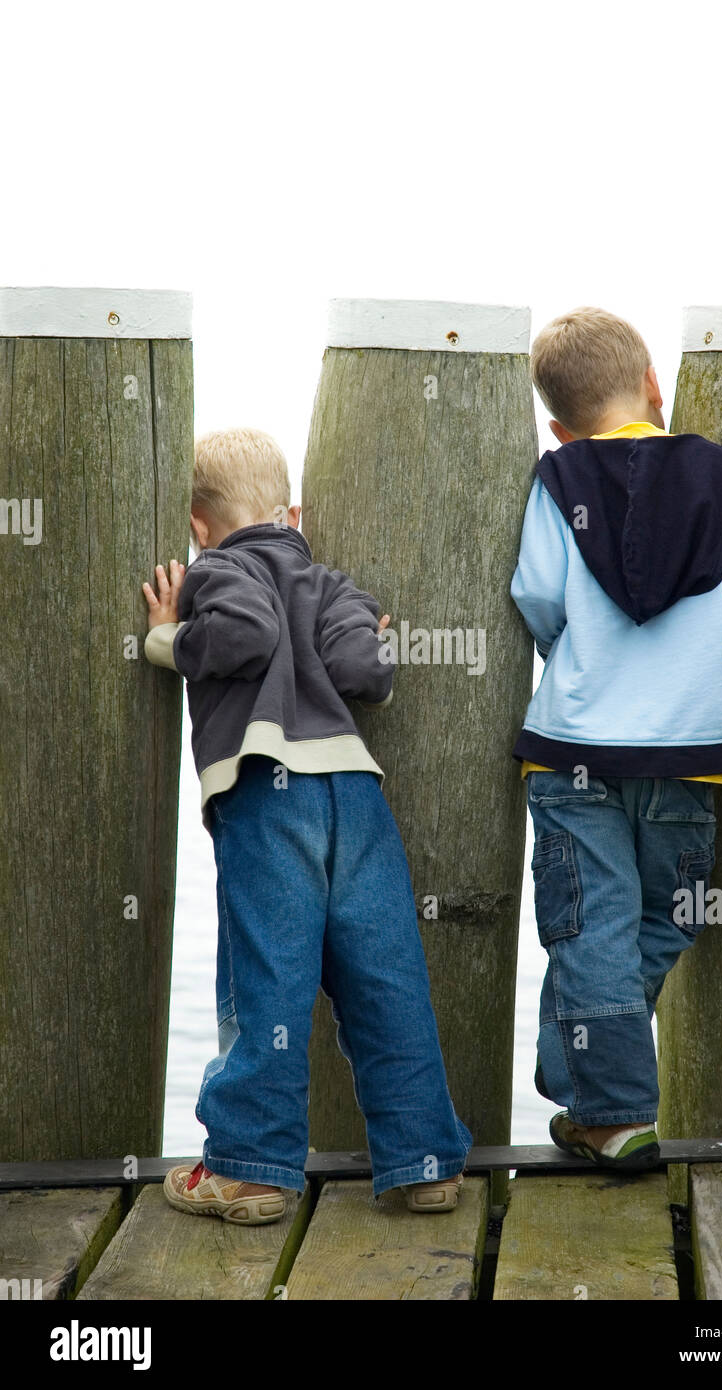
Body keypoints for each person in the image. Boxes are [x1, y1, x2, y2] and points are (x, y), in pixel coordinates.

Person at [142, 427, 470, 1223]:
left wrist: (168, 635)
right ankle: (424, 1161)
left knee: (269, 977)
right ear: (292, 511)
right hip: (354, 795)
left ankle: (252, 1166)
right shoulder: (330, 582)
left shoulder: (220, 568)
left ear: (197, 522)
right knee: (386, 979)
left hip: (268, 793)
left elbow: (247, 633)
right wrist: (373, 643)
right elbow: (364, 675)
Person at [511, 307, 722, 1170]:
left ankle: (612, 1105)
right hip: (695, 746)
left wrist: (582, 647)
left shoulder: (557, 483)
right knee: (664, 919)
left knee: (589, 928)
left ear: (556, 425)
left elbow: (540, 597)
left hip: (577, 747)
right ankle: (600, 1091)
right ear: (655, 388)